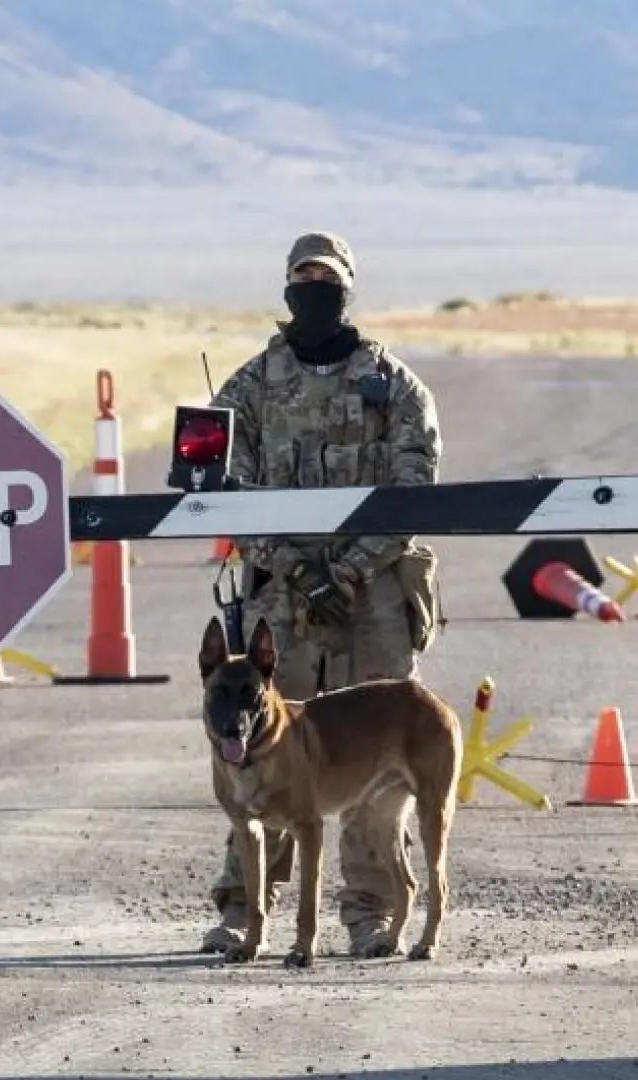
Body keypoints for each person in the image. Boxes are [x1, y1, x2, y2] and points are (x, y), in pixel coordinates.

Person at [198, 230, 445, 959]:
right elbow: (222, 488)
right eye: (304, 278)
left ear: (347, 289)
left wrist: (350, 571)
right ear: (286, 288)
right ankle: (243, 908)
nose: (315, 290)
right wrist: (295, 569)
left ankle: (370, 912)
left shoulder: (393, 384)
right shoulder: (250, 387)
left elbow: (414, 488)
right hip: (282, 602)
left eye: (327, 279)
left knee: (374, 766)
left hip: (371, 599)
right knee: (256, 754)